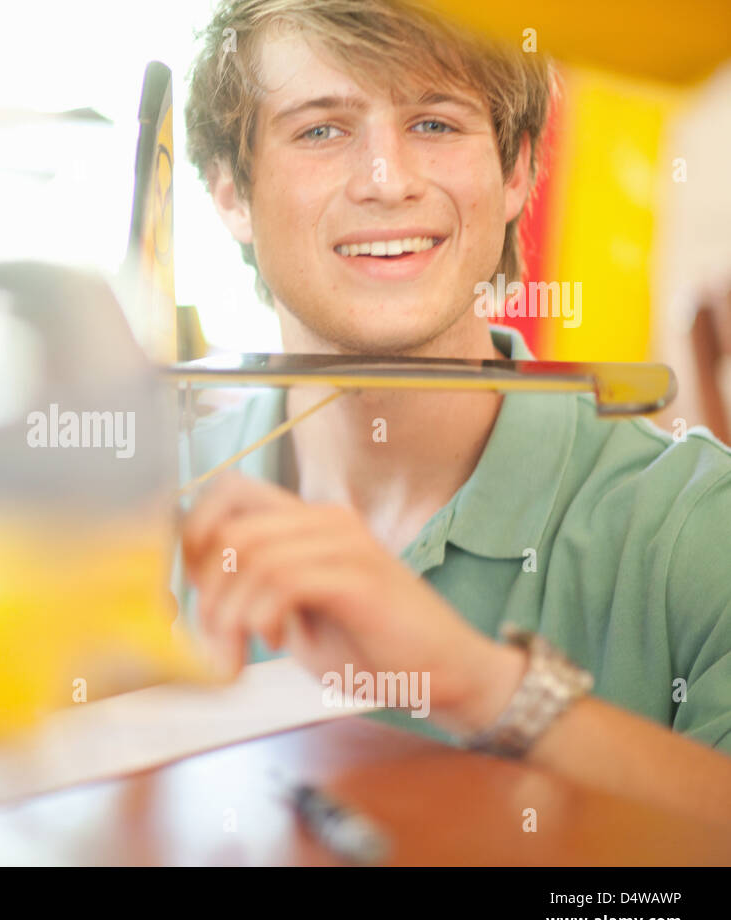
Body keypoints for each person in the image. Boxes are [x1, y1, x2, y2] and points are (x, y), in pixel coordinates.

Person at [177, 0, 731, 824]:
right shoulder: (148, 513)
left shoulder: (699, 525)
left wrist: (482, 684)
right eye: (321, 130)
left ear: (515, 174)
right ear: (230, 190)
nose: (386, 180)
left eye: (434, 123)